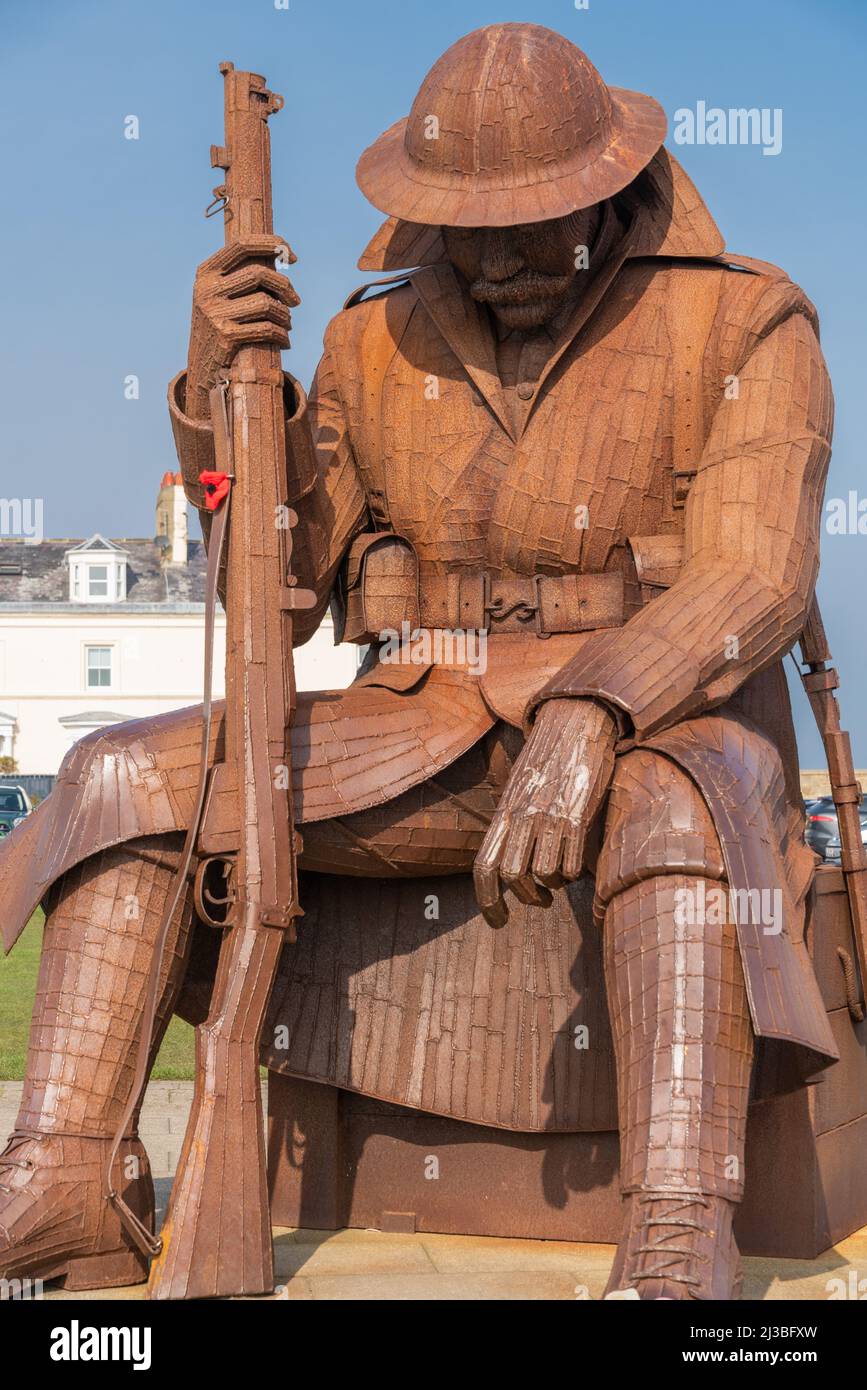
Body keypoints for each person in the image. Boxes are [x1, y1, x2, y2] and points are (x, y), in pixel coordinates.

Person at [0, 23, 835, 1299]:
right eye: (469, 223)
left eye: (531, 223)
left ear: (608, 189)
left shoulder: (741, 319)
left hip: (670, 725)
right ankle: (65, 1179)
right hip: (423, 724)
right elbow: (267, 600)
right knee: (115, 776)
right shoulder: (365, 342)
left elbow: (758, 575)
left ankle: (678, 1222)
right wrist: (225, 388)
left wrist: (598, 706)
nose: (496, 257)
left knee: (674, 805)